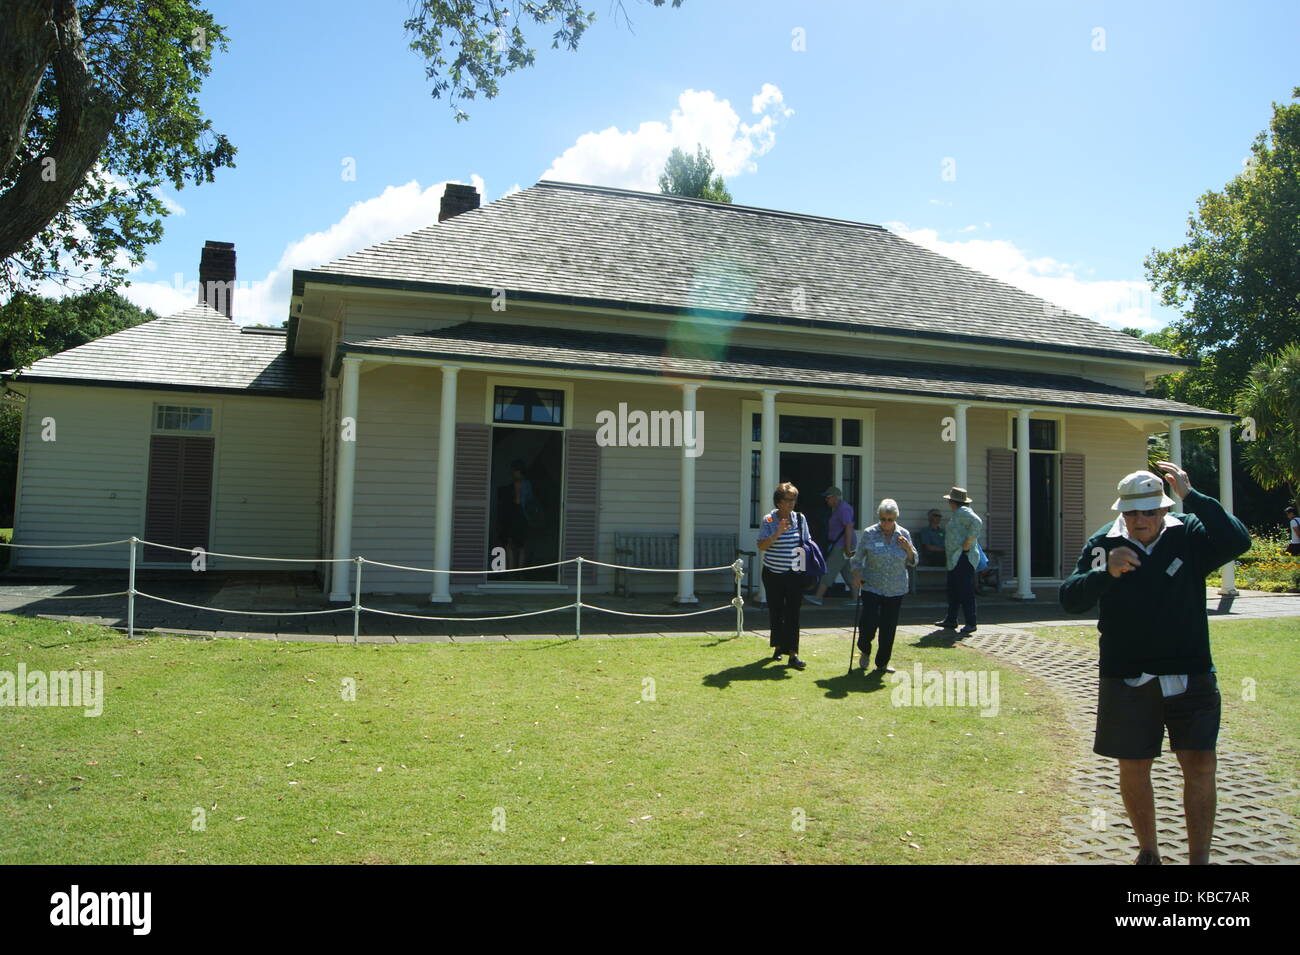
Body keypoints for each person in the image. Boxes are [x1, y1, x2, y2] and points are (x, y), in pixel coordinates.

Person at [1059, 462, 1250, 865]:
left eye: (1149, 511)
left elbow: (1237, 541)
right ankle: (1149, 850)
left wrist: (1193, 496)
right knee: (1134, 764)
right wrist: (1106, 574)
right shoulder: (1103, 543)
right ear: (1121, 512)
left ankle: (1199, 857)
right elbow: (1070, 597)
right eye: (1131, 512)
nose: (1140, 519)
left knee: (1199, 763)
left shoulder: (1190, 533)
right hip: (1128, 674)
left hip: (1191, 669)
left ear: (1164, 509)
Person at [850, 498, 916, 674]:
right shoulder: (869, 533)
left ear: (895, 519)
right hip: (872, 586)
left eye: (890, 519)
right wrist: (856, 575)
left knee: (888, 627)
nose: (886, 523)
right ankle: (865, 649)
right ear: (879, 518)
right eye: (883, 519)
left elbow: (914, 560)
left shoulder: (904, 534)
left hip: (896, 588)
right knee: (868, 623)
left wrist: (908, 549)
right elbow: (856, 559)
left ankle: (882, 663)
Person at [756, 482, 809, 670]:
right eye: (788, 500)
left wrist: (802, 573)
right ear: (779, 502)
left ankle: (793, 655)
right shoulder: (769, 520)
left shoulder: (800, 519)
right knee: (776, 612)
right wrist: (777, 533)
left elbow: (806, 545)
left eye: (794, 499)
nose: (792, 503)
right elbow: (761, 546)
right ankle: (778, 647)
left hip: (794, 574)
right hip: (773, 574)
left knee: (793, 614)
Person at [934, 487, 983, 635]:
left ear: (953, 501)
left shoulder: (964, 512)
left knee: (965, 591)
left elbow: (977, 522)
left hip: (963, 557)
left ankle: (971, 622)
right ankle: (951, 619)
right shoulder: (958, 514)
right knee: (953, 589)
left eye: (949, 500)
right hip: (955, 558)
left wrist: (968, 543)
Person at [808, 486, 856, 605]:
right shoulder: (839, 508)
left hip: (842, 545)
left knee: (829, 569)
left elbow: (848, 527)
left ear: (835, 498)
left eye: (828, 497)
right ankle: (857, 599)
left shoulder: (843, 509)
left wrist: (848, 547)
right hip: (843, 544)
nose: (826, 500)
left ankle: (818, 597)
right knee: (848, 572)